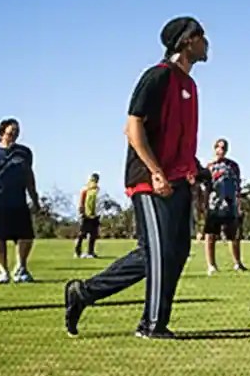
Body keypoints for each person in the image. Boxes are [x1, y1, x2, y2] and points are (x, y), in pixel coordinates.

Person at [64, 17, 209, 339]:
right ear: (187, 41)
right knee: (157, 253)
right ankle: (152, 325)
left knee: (173, 253)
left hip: (179, 179)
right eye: (202, 36)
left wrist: (195, 171)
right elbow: (132, 128)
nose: (206, 43)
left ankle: (83, 293)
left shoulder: (190, 85)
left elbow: (179, 136)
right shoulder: (157, 76)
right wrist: (156, 172)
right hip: (149, 180)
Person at [0, 118, 41, 284]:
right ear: (1, 133)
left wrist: (34, 199)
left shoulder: (24, 152)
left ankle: (21, 267)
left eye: (16, 131)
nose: (14, 134)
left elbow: (29, 177)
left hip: (19, 200)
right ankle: (3, 271)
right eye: (10, 131)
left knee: (26, 236)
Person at [201, 138, 246, 275]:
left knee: (234, 236)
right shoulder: (209, 167)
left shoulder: (233, 166)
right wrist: (203, 206)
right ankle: (211, 265)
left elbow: (238, 187)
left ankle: (237, 263)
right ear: (214, 149)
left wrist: (239, 205)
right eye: (219, 147)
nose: (221, 150)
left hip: (230, 205)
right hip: (214, 205)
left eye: (224, 148)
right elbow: (205, 188)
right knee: (210, 236)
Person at [75, 173, 101, 259]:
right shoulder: (86, 189)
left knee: (93, 234)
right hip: (86, 215)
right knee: (82, 234)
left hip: (94, 215)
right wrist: (82, 213)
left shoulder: (97, 190)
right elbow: (81, 202)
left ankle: (90, 252)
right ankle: (78, 252)